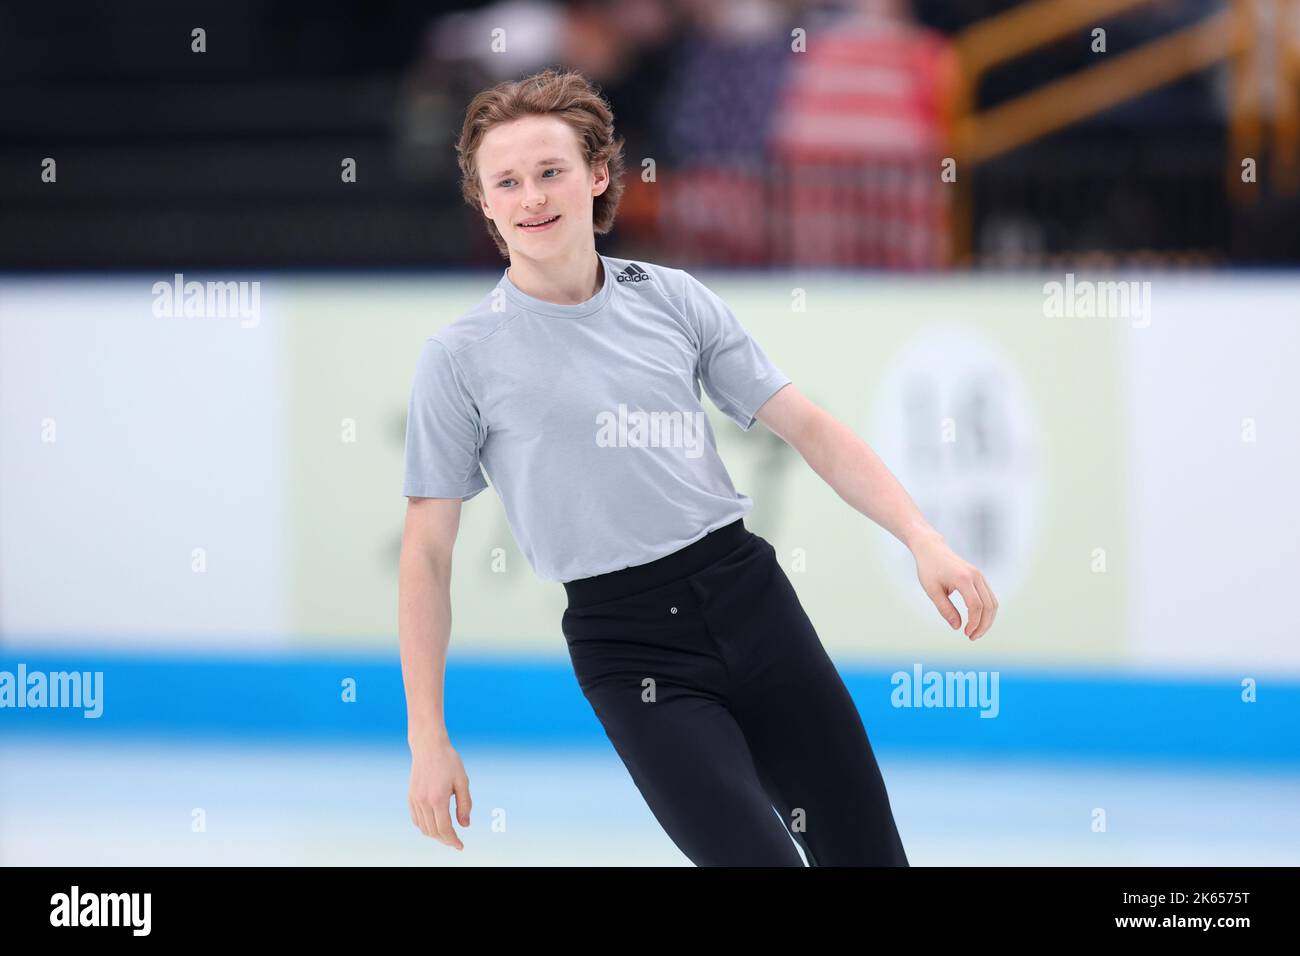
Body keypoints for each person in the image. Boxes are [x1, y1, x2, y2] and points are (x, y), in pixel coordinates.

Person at [398, 67, 998, 866]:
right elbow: (427, 551)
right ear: (484, 201)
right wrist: (427, 737)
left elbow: (808, 427)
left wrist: (922, 538)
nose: (532, 196)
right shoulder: (460, 358)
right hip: (629, 647)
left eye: (551, 172)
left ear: (598, 175)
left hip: (751, 601)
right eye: (506, 181)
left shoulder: (672, 299)